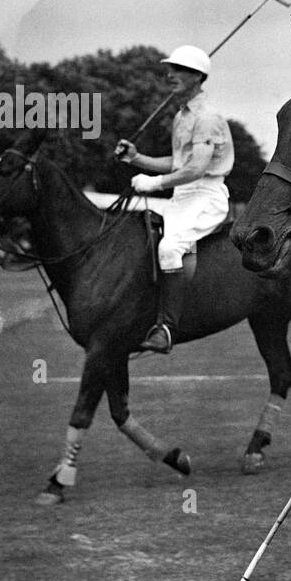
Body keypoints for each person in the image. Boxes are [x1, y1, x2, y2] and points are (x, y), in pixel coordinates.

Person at [113, 45, 233, 353]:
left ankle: (167, 327)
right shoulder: (182, 116)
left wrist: (154, 184)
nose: (170, 75)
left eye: (178, 70)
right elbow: (179, 163)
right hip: (183, 195)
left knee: (169, 247)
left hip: (207, 195)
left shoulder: (206, 118)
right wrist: (137, 158)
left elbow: (197, 168)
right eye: (170, 69)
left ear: (196, 77)